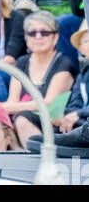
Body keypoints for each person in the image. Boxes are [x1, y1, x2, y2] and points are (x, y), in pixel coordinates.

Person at [2, 9, 75, 148]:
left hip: (55, 124)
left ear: (55, 37)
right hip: (23, 118)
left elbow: (48, 103)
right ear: (26, 38)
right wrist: (9, 107)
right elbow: (12, 101)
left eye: (45, 33)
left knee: (23, 118)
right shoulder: (22, 62)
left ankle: (39, 161)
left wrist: (11, 107)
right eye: (32, 33)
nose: (38, 37)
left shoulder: (64, 63)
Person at [27, 17, 89, 156]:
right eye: (86, 41)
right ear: (81, 48)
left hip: (83, 117)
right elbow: (75, 103)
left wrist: (78, 113)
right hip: (82, 120)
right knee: (55, 124)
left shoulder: (64, 65)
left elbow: (77, 110)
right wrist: (64, 115)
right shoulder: (82, 75)